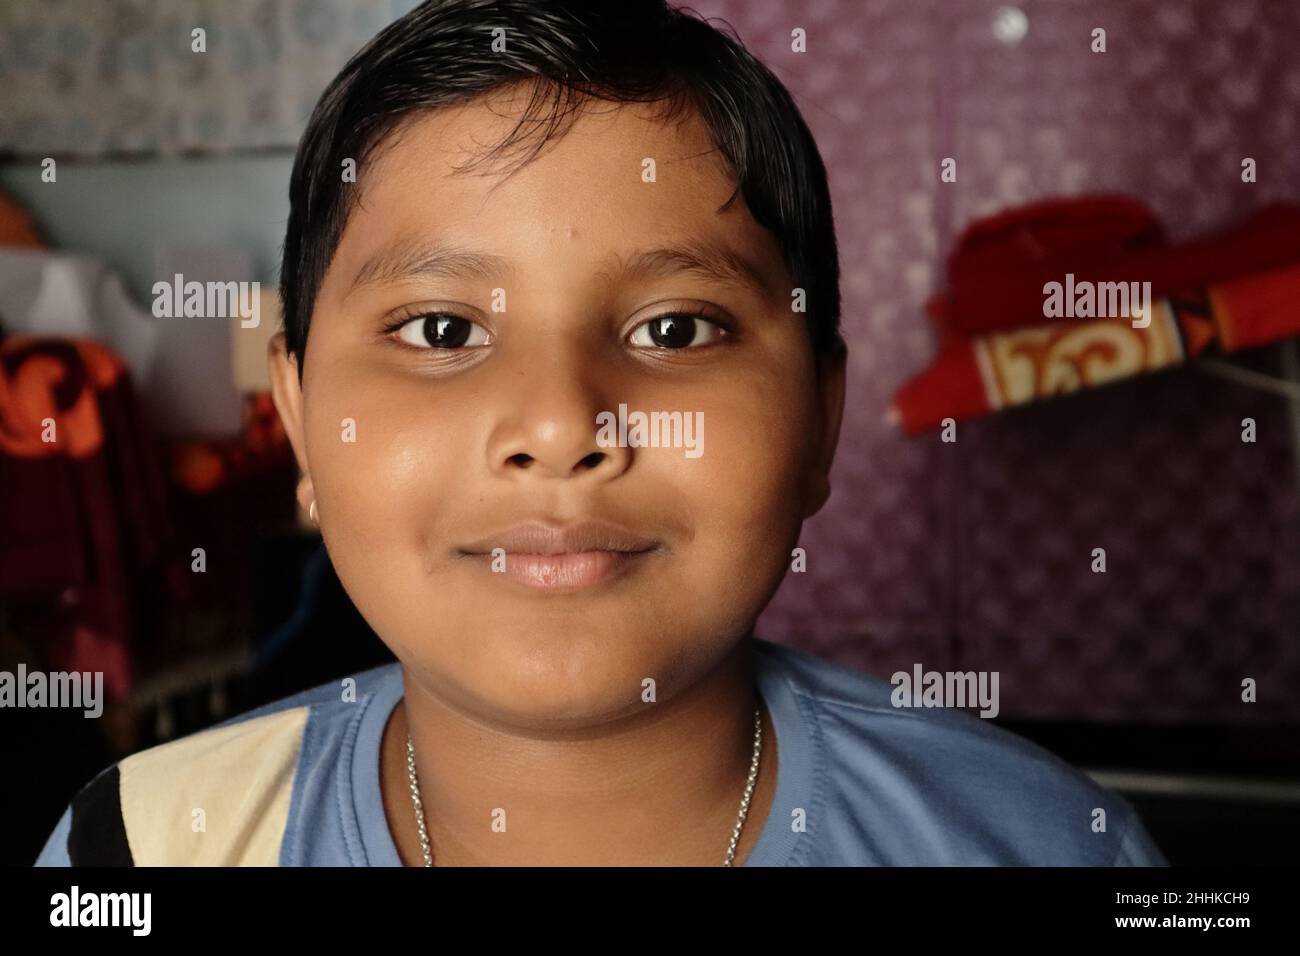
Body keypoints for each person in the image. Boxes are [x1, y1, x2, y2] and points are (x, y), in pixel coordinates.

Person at [35, 0, 1165, 867]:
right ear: (298, 422)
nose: (563, 424)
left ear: (821, 416)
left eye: (675, 325)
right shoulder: (140, 844)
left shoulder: (1045, 844)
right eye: (441, 327)